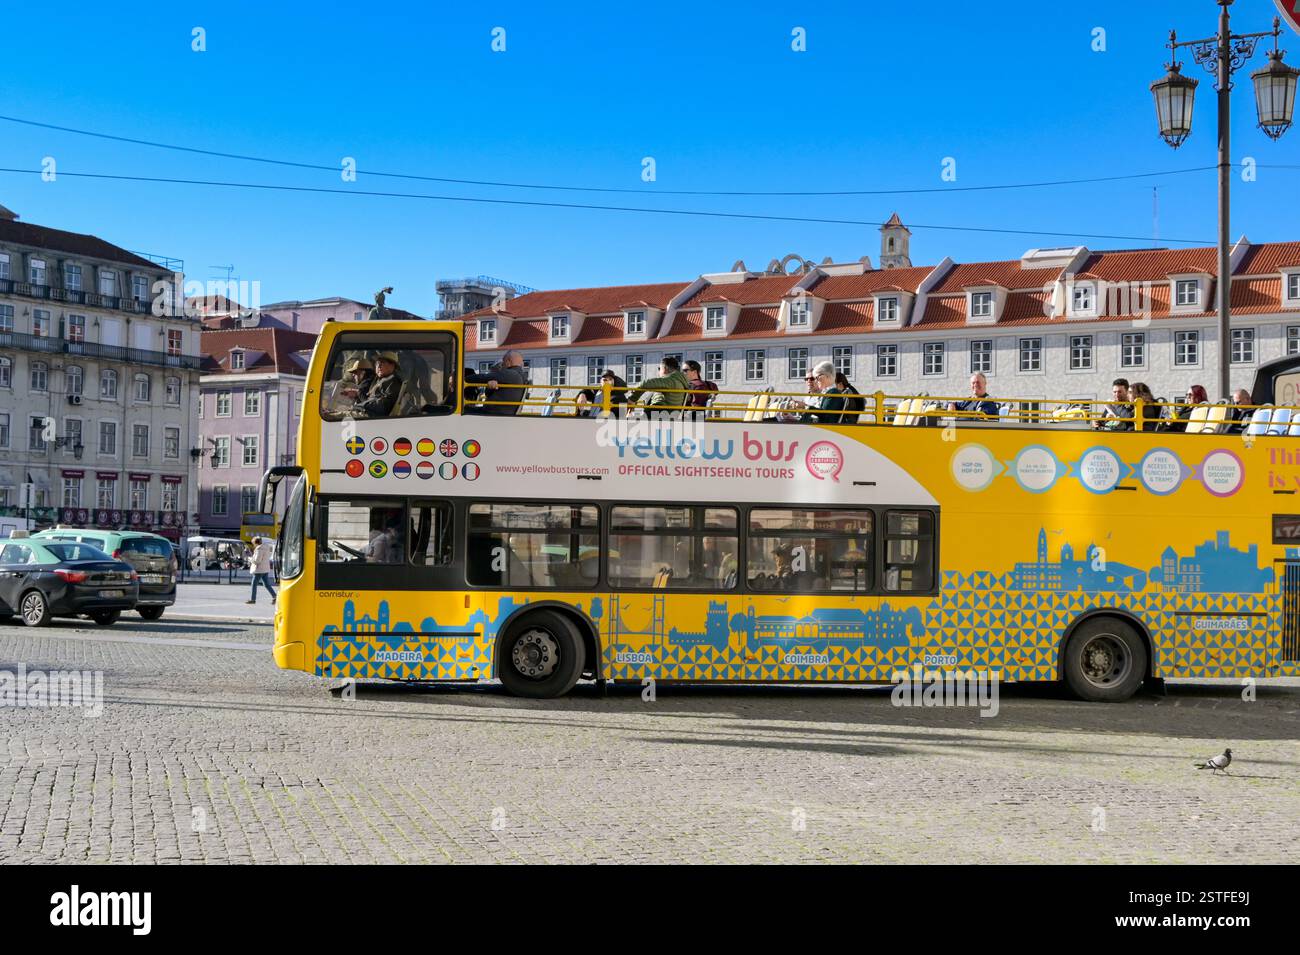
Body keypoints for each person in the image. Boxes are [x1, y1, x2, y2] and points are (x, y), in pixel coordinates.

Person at [466, 350, 529, 415]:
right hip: (502, 412)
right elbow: (491, 393)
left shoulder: (510, 373)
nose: (502, 365)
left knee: (464, 409)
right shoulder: (523, 376)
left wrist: (463, 378)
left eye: (503, 362)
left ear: (508, 361)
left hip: (494, 413)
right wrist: (490, 388)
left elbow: (484, 377)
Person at [352, 351, 403, 417]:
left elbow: (383, 406)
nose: (378, 366)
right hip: (366, 414)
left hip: (372, 418)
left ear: (392, 366)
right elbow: (371, 398)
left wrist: (361, 405)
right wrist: (357, 395)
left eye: (382, 363)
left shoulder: (394, 383)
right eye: (377, 363)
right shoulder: (380, 380)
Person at [245, 537, 276, 605]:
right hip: (265, 568)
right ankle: (275, 596)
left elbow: (257, 561)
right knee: (266, 584)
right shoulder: (266, 548)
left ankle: (253, 599)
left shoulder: (259, 549)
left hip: (259, 569)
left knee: (254, 584)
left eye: (253, 543)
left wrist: (250, 559)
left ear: (255, 543)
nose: (253, 545)